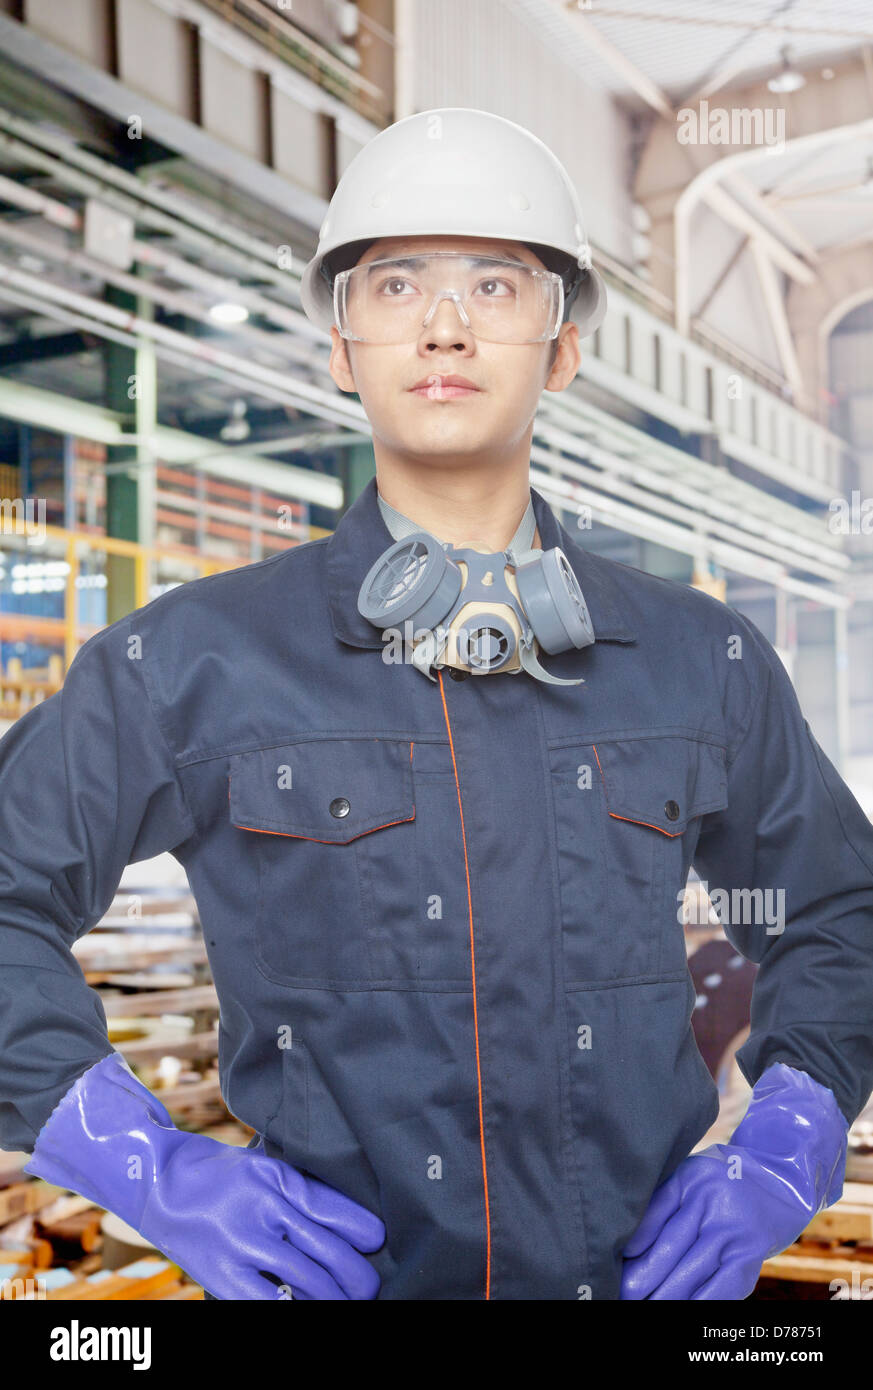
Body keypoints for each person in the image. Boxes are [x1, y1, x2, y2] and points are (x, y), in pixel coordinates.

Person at [1, 108, 871, 1302]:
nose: (447, 326)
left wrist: (792, 1133)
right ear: (341, 346)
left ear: (562, 347)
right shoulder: (191, 662)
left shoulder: (699, 660)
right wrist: (140, 1161)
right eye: (396, 283)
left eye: (499, 286)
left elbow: (841, 913)